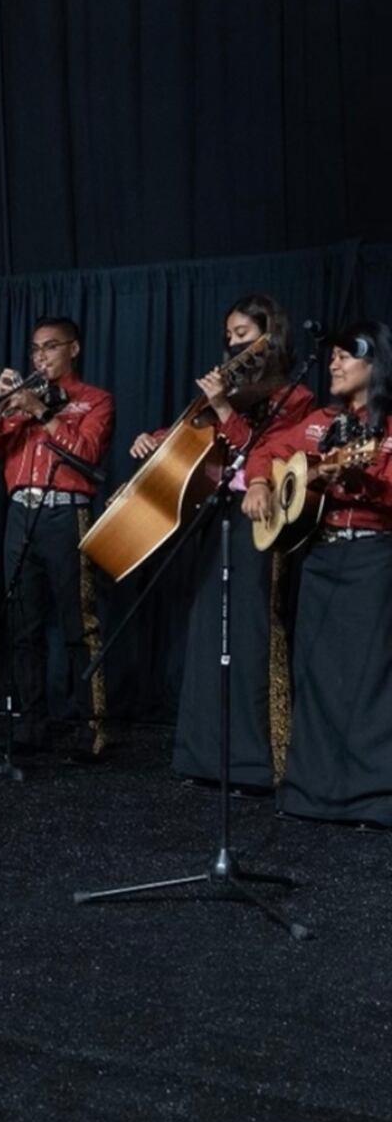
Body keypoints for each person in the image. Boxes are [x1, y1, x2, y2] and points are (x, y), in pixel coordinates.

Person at [130, 295, 314, 792]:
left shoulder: (292, 394)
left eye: (242, 333)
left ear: (268, 336)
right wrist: (154, 439)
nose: (232, 343)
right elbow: (197, 437)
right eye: (229, 335)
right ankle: (203, 758)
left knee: (253, 630)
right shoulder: (231, 390)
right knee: (210, 631)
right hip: (218, 517)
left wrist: (221, 406)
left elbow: (270, 451)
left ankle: (260, 764)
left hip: (264, 517)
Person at [243, 320, 392, 827]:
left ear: (375, 363)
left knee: (370, 679)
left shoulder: (387, 428)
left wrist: (363, 476)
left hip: (374, 556)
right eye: (329, 356)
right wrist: (260, 483)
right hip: (321, 557)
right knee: (318, 676)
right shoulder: (318, 421)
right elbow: (265, 449)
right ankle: (312, 792)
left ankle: (373, 796)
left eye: (345, 356)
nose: (333, 363)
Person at [0, 317, 113, 760]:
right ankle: (31, 726)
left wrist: (42, 413)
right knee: (23, 627)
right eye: (35, 350)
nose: (41, 357)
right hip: (21, 514)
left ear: (74, 349)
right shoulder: (19, 404)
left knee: (78, 625)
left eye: (50, 347)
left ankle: (89, 729)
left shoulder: (95, 400)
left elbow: (87, 453)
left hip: (65, 515)